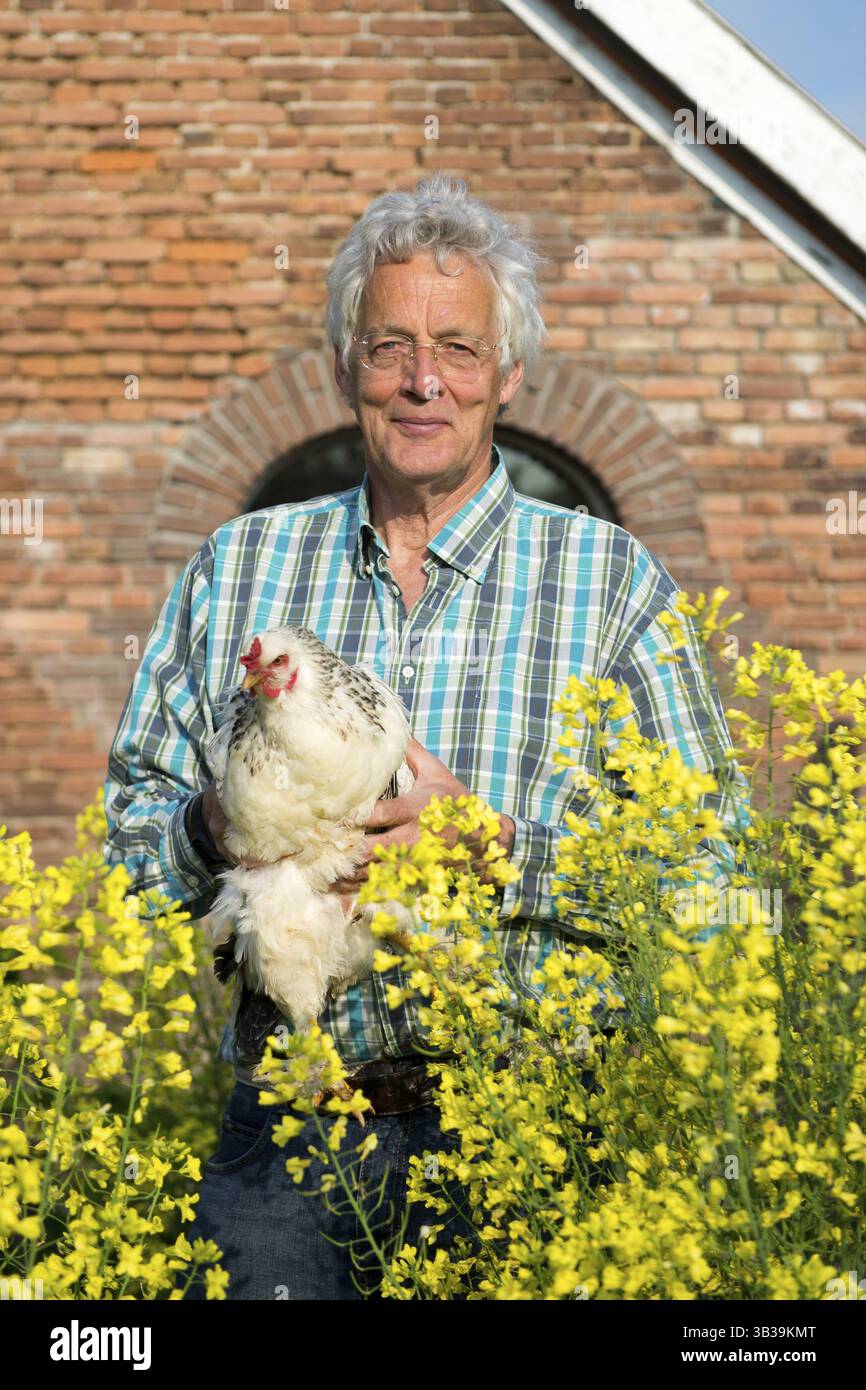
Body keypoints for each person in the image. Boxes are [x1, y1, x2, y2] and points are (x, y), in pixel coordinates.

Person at [104, 172, 748, 1300]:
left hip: (537, 1142)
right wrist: (214, 824)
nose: (420, 381)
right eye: (388, 344)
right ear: (343, 365)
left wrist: (501, 853)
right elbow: (124, 854)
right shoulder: (236, 568)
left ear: (507, 373)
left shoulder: (610, 584)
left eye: (455, 348)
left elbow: (716, 884)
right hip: (290, 1146)